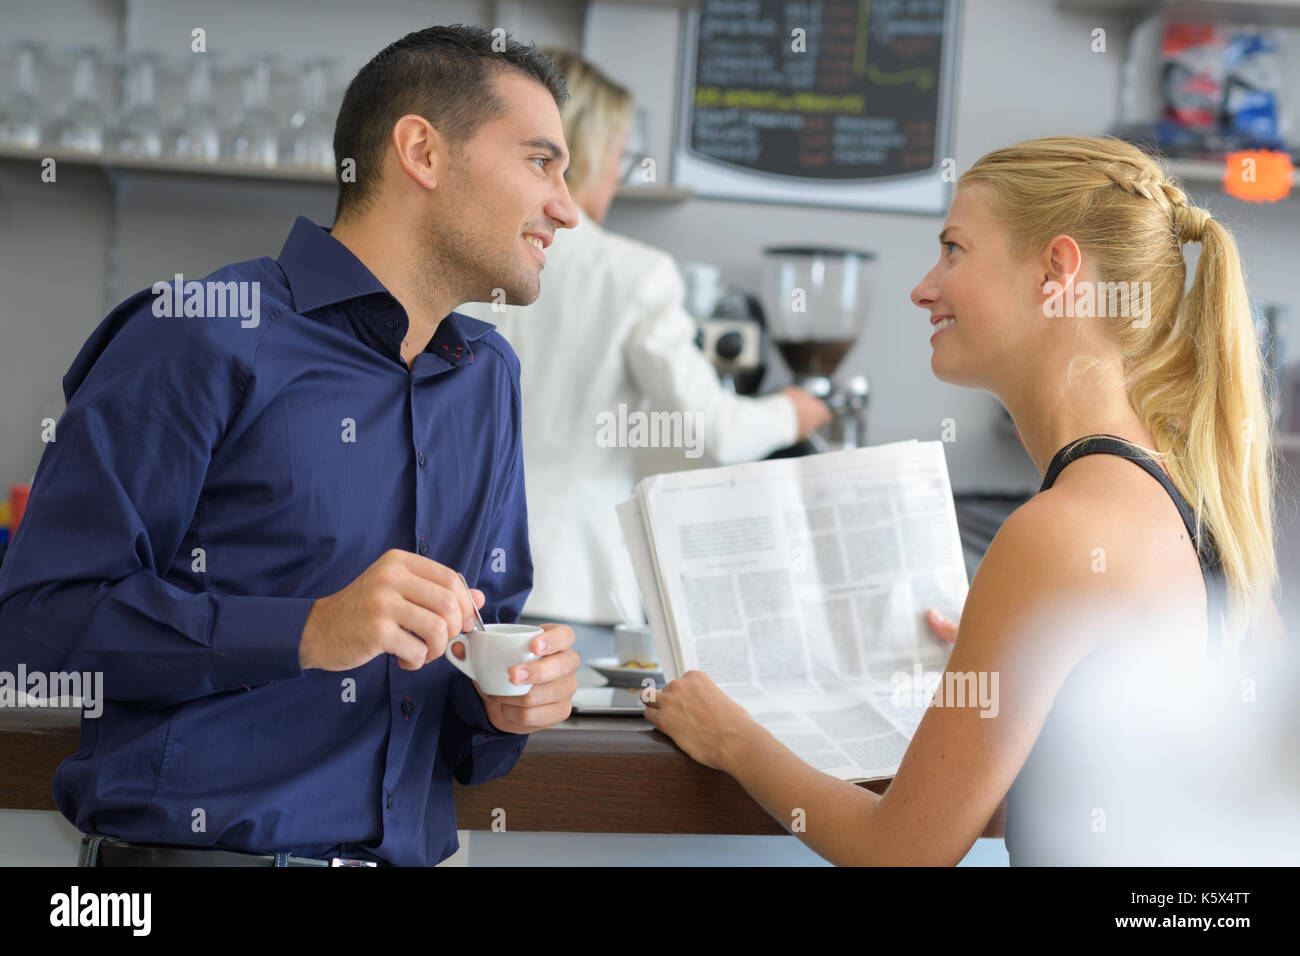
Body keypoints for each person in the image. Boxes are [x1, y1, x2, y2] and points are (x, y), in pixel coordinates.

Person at [0, 25, 582, 867]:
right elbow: (31, 631)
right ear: (421, 150)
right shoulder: (200, 333)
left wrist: (506, 704)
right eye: (541, 162)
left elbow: (469, 669)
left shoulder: (486, 378)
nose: (566, 206)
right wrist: (306, 631)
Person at [641, 135, 1291, 865]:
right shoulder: (1203, 510)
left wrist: (731, 736)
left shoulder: (1060, 533)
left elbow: (900, 853)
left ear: (1057, 271)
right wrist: (1020, 667)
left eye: (954, 249)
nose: (925, 287)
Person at [457, 50, 832, 633]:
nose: (618, 173)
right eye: (620, 154)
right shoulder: (634, 272)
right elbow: (715, 434)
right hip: (575, 578)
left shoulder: (466, 252)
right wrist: (796, 410)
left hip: (456, 576)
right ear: (588, 150)